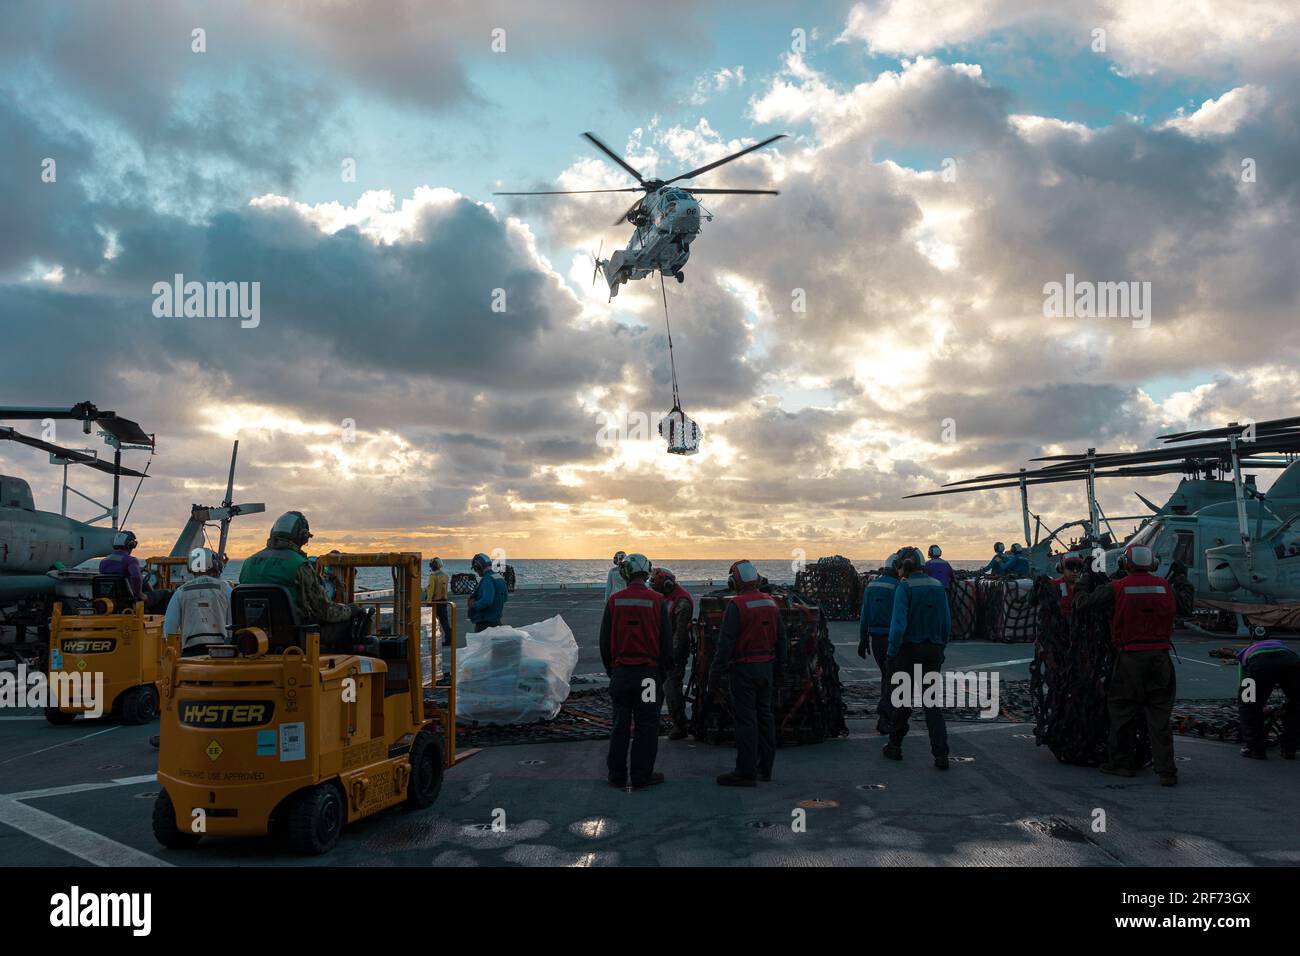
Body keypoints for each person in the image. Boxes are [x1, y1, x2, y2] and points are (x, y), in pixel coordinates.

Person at [1072, 545, 1193, 786]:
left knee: (1122, 712)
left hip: (1129, 660)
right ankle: (1166, 771)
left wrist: (1085, 578)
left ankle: (1120, 764)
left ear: (1123, 564)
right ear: (1153, 564)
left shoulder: (1117, 587)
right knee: (1159, 716)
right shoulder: (1165, 587)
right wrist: (1182, 578)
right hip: (1160, 659)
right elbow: (1186, 604)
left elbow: (1082, 603)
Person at [711, 560, 787, 787]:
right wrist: (779, 669)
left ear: (734, 582)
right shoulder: (771, 603)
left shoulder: (737, 605)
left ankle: (745, 772)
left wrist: (715, 676)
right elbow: (781, 640)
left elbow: (725, 645)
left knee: (746, 720)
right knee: (765, 717)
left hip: (744, 669)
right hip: (767, 668)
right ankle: (766, 769)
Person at [599, 553, 671, 789]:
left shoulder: (614, 601)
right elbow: (666, 644)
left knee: (620, 724)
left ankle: (616, 776)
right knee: (647, 725)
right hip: (648, 677)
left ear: (625, 573)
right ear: (647, 572)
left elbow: (604, 642)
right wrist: (661, 673)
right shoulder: (658, 601)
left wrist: (613, 672)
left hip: (621, 673)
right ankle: (642, 776)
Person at [884, 547, 952, 768]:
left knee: (903, 700)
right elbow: (946, 623)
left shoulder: (904, 587)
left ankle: (894, 745)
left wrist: (891, 653)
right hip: (933, 650)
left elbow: (898, 625)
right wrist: (941, 648)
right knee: (931, 704)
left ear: (903, 566)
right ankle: (941, 754)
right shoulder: (938, 586)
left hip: (908, 651)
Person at [238, 511, 360, 629]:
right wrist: (352, 609)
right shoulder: (300, 565)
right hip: (296, 639)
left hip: (254, 637)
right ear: (303, 537)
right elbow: (325, 611)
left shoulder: (248, 562)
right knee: (358, 622)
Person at [1237, 639, 1299, 760]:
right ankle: (1290, 748)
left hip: (1261, 664)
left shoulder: (1244, 655)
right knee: (1297, 704)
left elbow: (1244, 683)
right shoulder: (1283, 647)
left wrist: (1260, 702)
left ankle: (1255, 749)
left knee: (1248, 706)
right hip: (1291, 662)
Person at [859, 553, 900, 734]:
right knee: (893, 678)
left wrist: (863, 639)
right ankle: (886, 716)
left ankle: (886, 714)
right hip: (892, 639)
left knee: (886, 675)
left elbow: (864, 615)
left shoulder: (871, 585)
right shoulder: (899, 587)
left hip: (875, 639)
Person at [651, 567, 694, 740]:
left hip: (674, 653)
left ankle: (679, 725)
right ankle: (652, 720)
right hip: (661, 651)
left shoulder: (682, 602)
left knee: (671, 688)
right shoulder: (664, 597)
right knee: (653, 687)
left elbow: (680, 634)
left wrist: (670, 657)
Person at [164, 547, 233, 656]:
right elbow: (233, 621)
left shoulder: (181, 591)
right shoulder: (225, 589)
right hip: (221, 651)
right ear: (213, 564)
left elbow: (169, 628)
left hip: (190, 653)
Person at [466, 553, 507, 632]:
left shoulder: (487, 580)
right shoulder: (499, 577)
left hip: (485, 624)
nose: (476, 572)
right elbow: (505, 598)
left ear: (479, 567)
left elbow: (487, 601)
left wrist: (474, 605)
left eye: (475, 569)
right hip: (496, 621)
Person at [99, 530, 144, 602]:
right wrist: (139, 594)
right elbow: (136, 577)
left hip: (109, 600)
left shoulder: (103, 562)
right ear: (131, 545)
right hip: (128, 600)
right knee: (165, 593)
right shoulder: (131, 561)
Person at [425, 557, 453, 646]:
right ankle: (449, 639)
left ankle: (431, 640)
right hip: (443, 601)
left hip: (434, 602)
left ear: (433, 566)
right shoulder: (445, 575)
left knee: (431, 622)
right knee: (444, 622)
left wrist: (428, 601)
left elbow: (431, 590)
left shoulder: (433, 576)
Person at [1051, 554, 1084, 619]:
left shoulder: (1086, 586)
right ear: (1061, 568)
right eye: (1070, 567)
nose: (1075, 571)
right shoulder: (1054, 585)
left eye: (1078, 567)